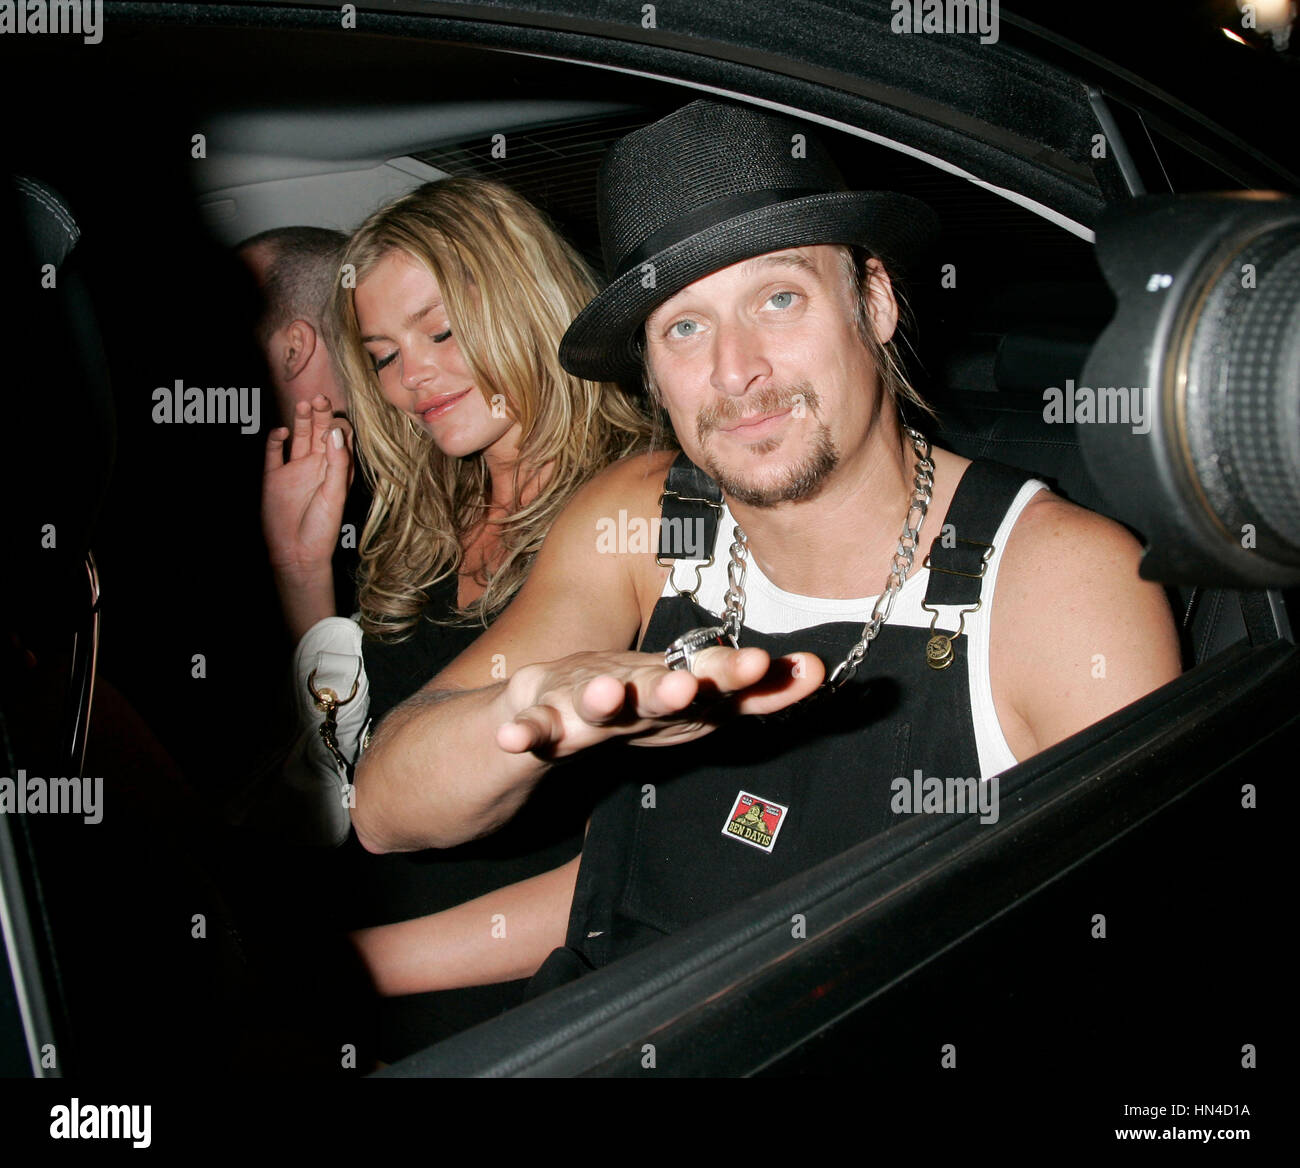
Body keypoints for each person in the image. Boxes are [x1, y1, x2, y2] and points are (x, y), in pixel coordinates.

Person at [346, 100, 1183, 993]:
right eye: (683, 327)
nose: (734, 371)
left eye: (778, 298)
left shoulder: (1057, 583)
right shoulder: (646, 523)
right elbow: (389, 808)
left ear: (876, 300)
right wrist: (524, 715)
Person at [259, 176, 655, 1044]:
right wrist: (302, 574)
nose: (412, 379)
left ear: (526, 303)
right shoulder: (423, 519)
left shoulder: (643, 509)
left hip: (508, 1013)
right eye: (384, 354)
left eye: (440, 332)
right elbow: (349, 775)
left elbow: (640, 869)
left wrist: (345, 966)